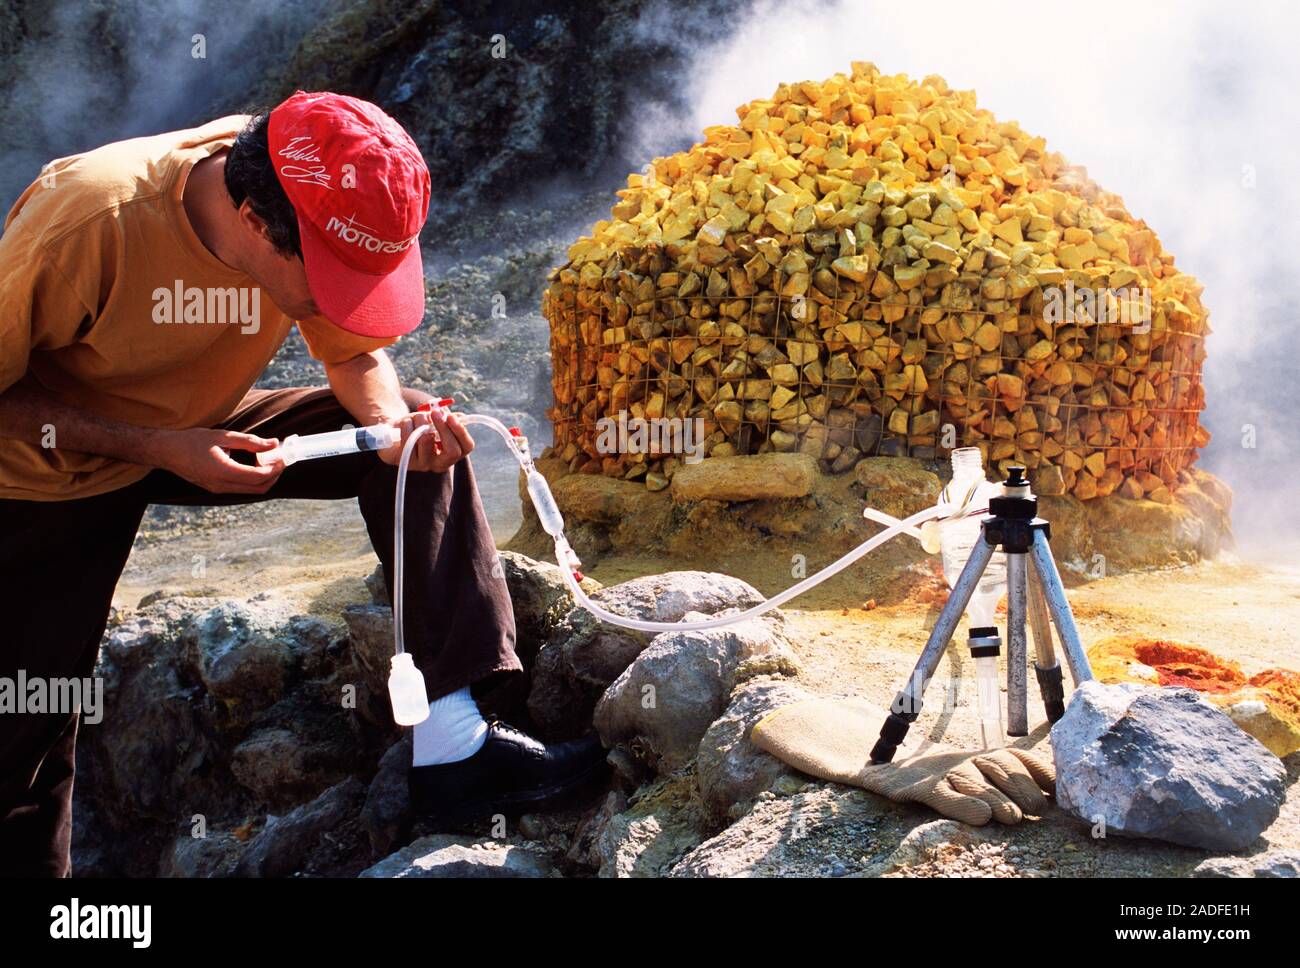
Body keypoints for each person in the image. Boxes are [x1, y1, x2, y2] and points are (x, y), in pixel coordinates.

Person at [0, 90, 605, 877]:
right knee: (30, 735)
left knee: (417, 426)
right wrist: (157, 445)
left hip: (197, 423)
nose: (347, 306)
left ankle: (452, 746)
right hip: (42, 476)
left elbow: (355, 356)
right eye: (331, 283)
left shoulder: (313, 179)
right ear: (254, 224)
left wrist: (392, 435)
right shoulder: (89, 221)